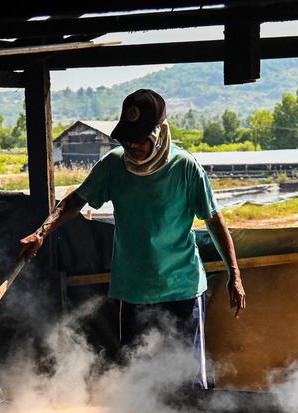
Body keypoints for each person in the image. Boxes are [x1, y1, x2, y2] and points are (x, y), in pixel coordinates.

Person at [18, 89, 246, 389]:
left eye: (139, 138)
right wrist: (42, 232)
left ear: (159, 134)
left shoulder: (185, 168)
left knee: (190, 382)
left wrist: (235, 274)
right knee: (137, 380)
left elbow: (214, 221)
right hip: (134, 290)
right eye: (127, 139)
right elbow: (75, 201)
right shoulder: (114, 165)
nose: (132, 146)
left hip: (183, 289)